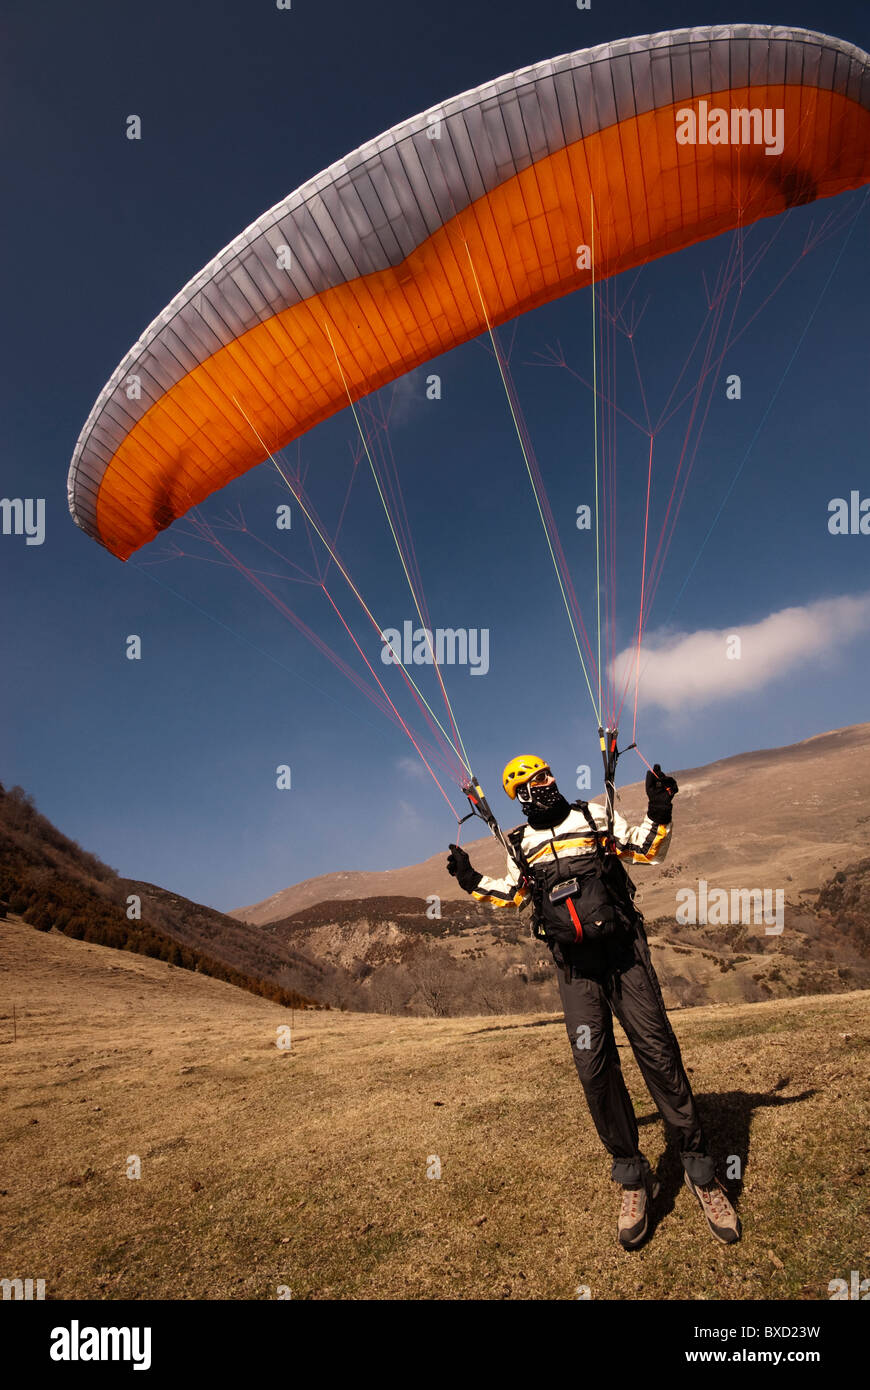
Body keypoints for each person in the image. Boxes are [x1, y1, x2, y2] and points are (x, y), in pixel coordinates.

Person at [446, 755, 741, 1250]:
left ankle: (701, 1171)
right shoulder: (519, 844)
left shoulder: (592, 816)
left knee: (659, 1054)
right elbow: (516, 896)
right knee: (593, 1068)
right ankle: (632, 1177)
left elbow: (647, 849)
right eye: (530, 782)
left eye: (545, 775)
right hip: (575, 969)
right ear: (517, 796)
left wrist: (659, 807)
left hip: (625, 955)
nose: (543, 784)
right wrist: (471, 880)